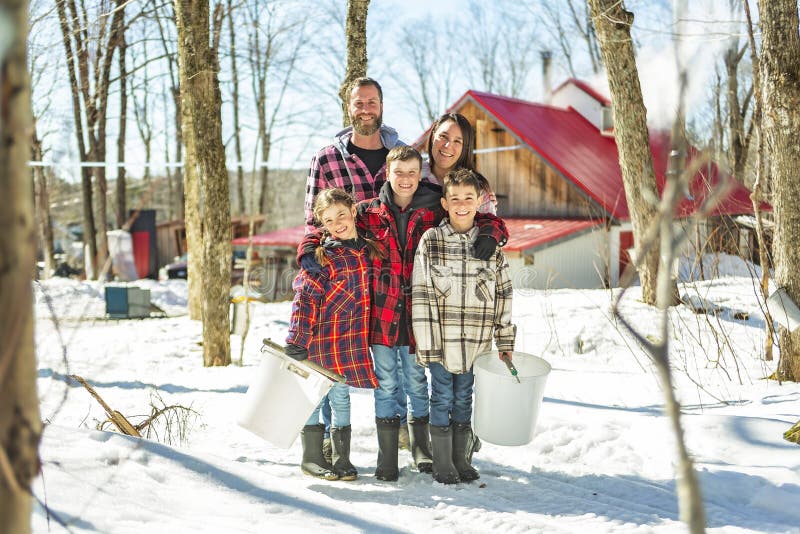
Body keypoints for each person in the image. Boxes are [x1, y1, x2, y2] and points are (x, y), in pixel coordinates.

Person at [346, 146, 509, 481]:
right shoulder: (367, 212)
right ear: (387, 173)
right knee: (387, 383)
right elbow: (328, 229)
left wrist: (493, 233)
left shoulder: (436, 203)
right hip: (385, 310)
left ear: (420, 174)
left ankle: (424, 449)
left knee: (419, 383)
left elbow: (478, 217)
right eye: (399, 172)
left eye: (412, 172)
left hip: (426, 312)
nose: (405, 180)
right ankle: (387, 455)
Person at [302, 77, 427, 453]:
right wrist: (308, 254)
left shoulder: (404, 155)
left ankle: (405, 431)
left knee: (400, 361)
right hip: (344, 280)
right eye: (359, 103)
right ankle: (325, 439)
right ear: (349, 107)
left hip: (393, 280)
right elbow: (312, 220)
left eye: (372, 102)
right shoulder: (326, 159)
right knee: (329, 354)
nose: (366, 109)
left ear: (382, 106)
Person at [411, 168, 516, 484]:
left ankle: (461, 458)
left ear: (479, 201)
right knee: (441, 398)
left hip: (476, 345)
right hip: (443, 346)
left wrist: (505, 341)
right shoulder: (432, 241)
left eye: (468, 198)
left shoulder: (489, 246)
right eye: (454, 198)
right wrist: (428, 346)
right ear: (444, 202)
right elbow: (421, 294)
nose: (461, 204)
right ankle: (442, 462)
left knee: (464, 400)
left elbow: (504, 295)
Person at [285, 188, 383, 481]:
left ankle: (342, 458)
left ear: (353, 211)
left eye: (342, 214)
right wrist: (296, 340)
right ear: (322, 225)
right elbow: (304, 299)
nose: (338, 222)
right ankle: (312, 457)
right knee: (314, 398)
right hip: (319, 341)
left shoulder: (367, 250)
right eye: (329, 220)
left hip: (349, 341)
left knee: (341, 399)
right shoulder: (320, 258)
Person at [424, 112, 497, 214]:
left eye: (457, 141)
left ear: (465, 148)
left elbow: (491, 228)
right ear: (433, 138)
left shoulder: (477, 189)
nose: (448, 145)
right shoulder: (410, 176)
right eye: (443, 136)